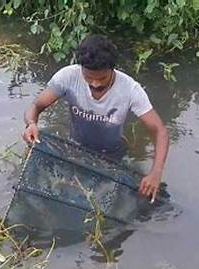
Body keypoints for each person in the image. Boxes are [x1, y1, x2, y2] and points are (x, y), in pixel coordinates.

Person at [22, 34, 169, 201]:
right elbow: (35, 106)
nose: (95, 84)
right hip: (75, 148)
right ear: (81, 68)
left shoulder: (130, 90)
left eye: (102, 78)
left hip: (111, 155)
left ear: (112, 69)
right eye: (89, 78)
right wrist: (31, 124)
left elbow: (160, 131)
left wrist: (156, 172)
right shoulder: (68, 77)